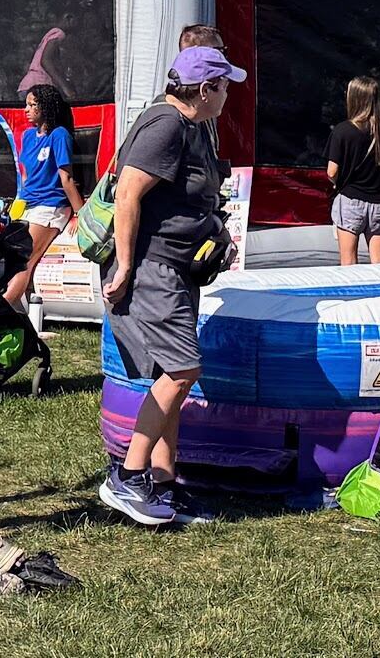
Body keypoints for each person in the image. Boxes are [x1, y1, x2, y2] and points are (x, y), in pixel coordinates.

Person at [97, 46, 243, 530]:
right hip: (152, 267)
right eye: (224, 87)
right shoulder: (165, 125)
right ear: (205, 89)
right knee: (182, 369)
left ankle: (162, 483)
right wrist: (124, 266)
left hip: (176, 269)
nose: (228, 96)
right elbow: (127, 193)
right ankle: (128, 474)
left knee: (169, 374)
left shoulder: (193, 125)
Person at [4, 84, 79, 309]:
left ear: (45, 107)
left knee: (24, 261)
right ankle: (22, 316)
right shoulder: (27, 136)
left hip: (50, 205)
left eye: (32, 105)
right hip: (27, 205)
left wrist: (79, 214)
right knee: (10, 258)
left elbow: (66, 178)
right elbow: (26, 176)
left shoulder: (59, 135)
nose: (26, 110)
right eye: (26, 104)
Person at [326, 76, 380, 266]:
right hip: (379, 203)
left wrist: (338, 183)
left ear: (353, 98)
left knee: (348, 262)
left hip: (350, 200)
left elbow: (332, 171)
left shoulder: (342, 131)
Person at [16, 7, 79, 98]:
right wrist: (65, 88)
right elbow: (46, 60)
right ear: (68, 19)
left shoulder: (49, 35)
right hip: (38, 87)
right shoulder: (59, 34)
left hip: (28, 86)